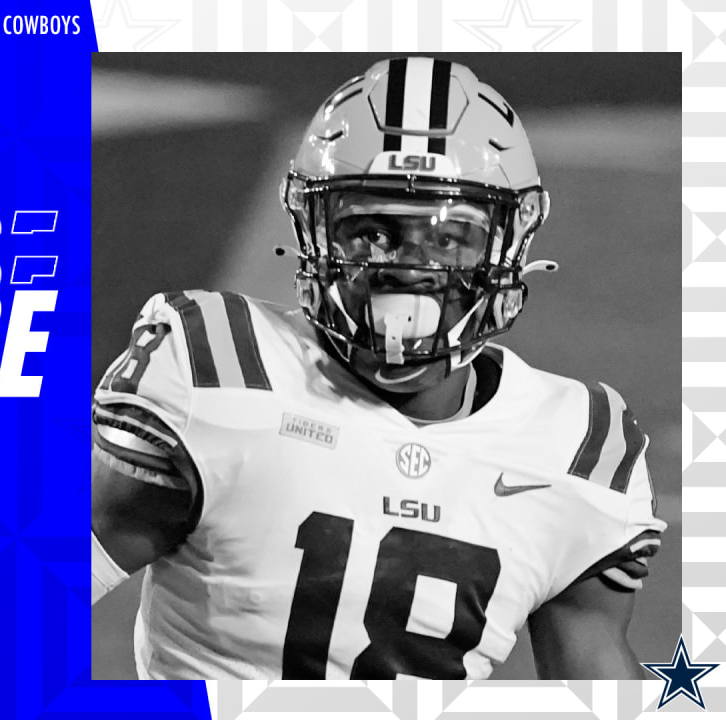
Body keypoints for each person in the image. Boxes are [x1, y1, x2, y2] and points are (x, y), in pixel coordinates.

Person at [90, 57, 665, 680]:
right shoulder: (220, 373)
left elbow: (599, 682)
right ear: (315, 235)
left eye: (447, 238)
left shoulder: (578, 449)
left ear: (507, 245)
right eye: (371, 233)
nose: (410, 269)